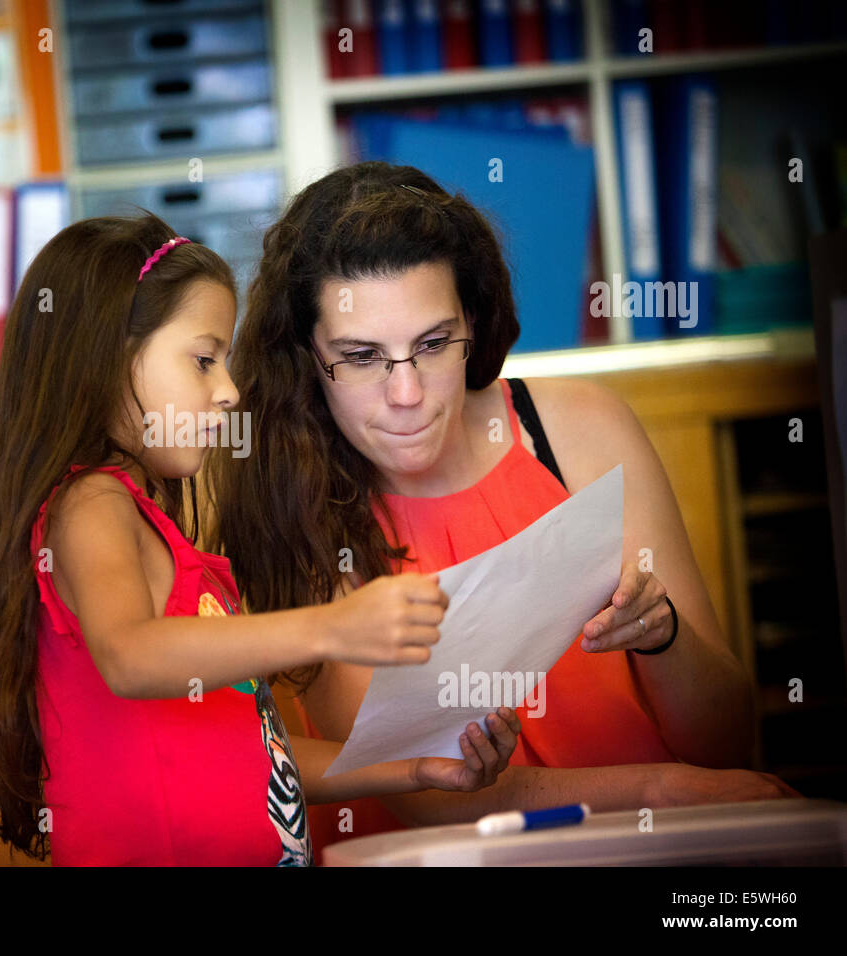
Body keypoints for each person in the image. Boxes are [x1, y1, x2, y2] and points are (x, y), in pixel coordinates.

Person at [208, 161, 800, 864]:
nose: (407, 394)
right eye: (362, 357)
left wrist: (664, 640)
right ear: (305, 357)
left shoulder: (578, 427)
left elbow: (728, 742)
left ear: (474, 321)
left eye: (433, 344)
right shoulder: (292, 495)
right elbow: (422, 793)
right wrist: (666, 791)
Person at [0, 212, 521, 866]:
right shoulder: (90, 503)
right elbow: (130, 655)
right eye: (203, 360)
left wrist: (413, 766)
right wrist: (332, 627)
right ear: (107, 357)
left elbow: (262, 758)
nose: (227, 392)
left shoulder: (154, 531)